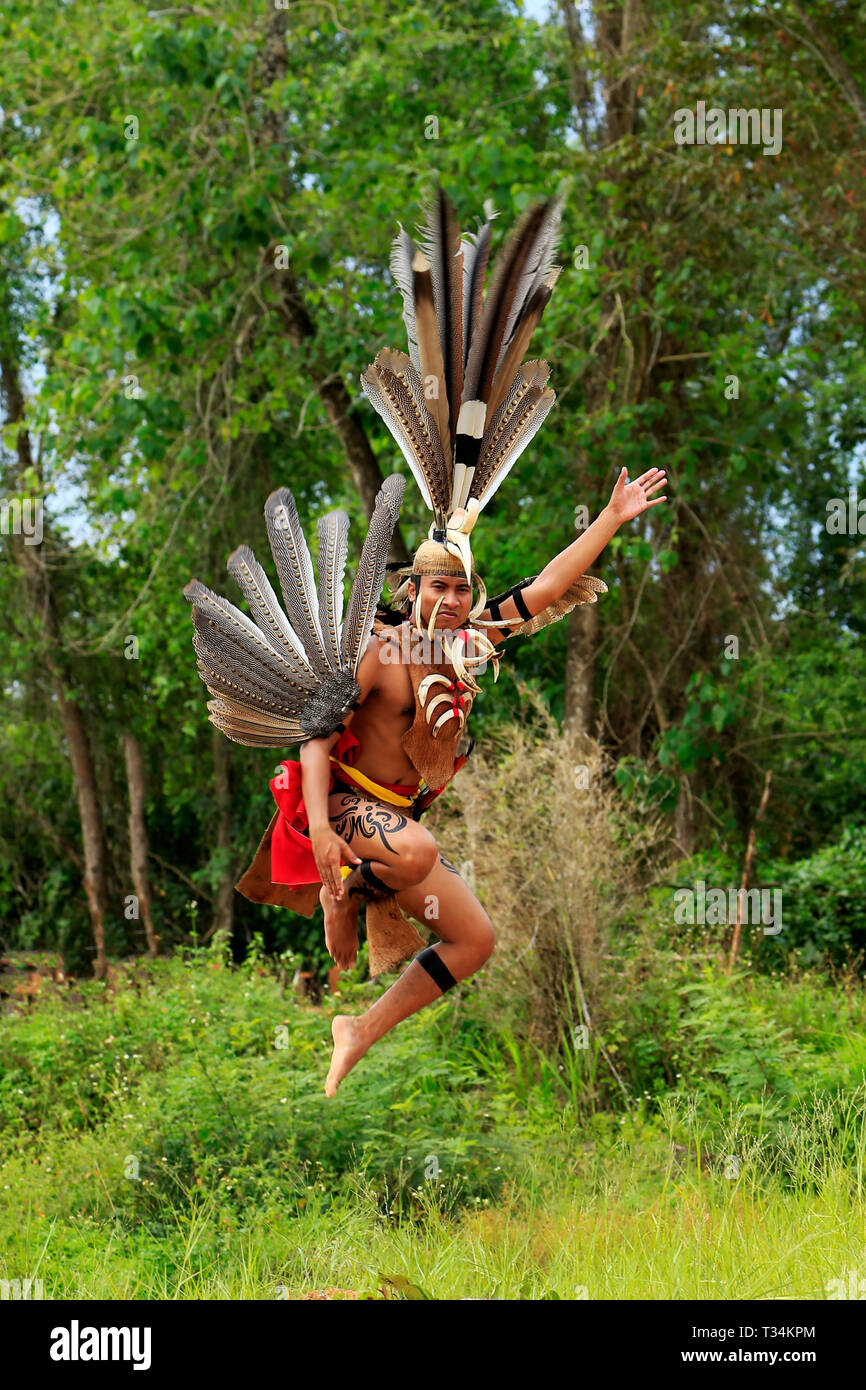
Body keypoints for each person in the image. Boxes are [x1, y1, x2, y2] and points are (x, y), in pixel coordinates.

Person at [183, 181, 667, 1097]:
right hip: (344, 812)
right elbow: (316, 733)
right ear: (413, 588)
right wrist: (324, 828)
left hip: (396, 828)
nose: (450, 597)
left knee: (475, 938)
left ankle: (356, 1028)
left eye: (460, 586)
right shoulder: (379, 646)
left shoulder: (473, 639)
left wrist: (610, 516)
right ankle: (348, 893)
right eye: (437, 584)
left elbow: (550, 589)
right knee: (406, 857)